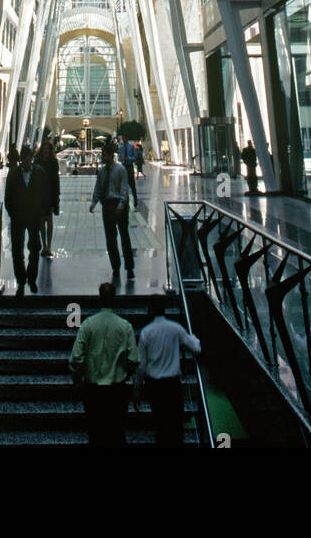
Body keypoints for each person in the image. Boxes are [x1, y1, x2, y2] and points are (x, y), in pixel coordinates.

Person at [69, 281, 139, 446]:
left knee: (95, 433)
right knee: (117, 432)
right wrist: (126, 373)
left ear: (99, 298)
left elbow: (76, 359)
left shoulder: (87, 325)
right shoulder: (125, 326)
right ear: (114, 298)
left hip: (93, 390)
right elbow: (134, 359)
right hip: (117, 389)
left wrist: (77, 380)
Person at [136, 297, 201, 446]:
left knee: (160, 423)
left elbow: (141, 365)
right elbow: (196, 348)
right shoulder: (176, 328)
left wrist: (137, 390)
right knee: (175, 423)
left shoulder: (147, 332)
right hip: (172, 384)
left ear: (150, 310)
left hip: (154, 384)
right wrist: (194, 338)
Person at [4, 144, 49, 297]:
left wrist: (42, 211)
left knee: (35, 247)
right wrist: (13, 213)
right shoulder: (13, 174)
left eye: (29, 158)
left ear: (31, 158)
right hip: (18, 217)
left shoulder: (39, 173)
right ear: (21, 159)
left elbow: (44, 193)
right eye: (24, 158)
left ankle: (32, 278)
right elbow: (8, 196)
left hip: (34, 216)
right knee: (17, 249)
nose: (26, 161)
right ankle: (21, 281)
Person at [90, 142, 134, 280]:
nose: (102, 157)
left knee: (124, 236)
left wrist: (122, 204)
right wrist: (94, 202)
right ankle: (115, 267)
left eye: (104, 155)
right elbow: (98, 188)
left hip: (119, 205)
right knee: (110, 238)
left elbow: (124, 188)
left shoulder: (120, 170)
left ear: (110, 155)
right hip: (107, 206)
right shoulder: (102, 171)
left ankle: (129, 267)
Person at [36, 140, 60, 256]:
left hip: (50, 193)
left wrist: (57, 195)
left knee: (49, 219)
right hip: (40, 193)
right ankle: (44, 245)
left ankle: (48, 246)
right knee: (41, 219)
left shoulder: (54, 162)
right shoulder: (37, 161)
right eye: (44, 148)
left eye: (47, 148)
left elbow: (56, 179)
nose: (45, 151)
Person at [118, 135, 139, 210]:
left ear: (127, 138)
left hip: (129, 166)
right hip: (124, 166)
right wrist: (121, 159)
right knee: (124, 185)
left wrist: (128, 158)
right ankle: (126, 202)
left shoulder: (131, 146)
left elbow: (134, 157)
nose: (124, 140)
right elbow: (120, 158)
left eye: (124, 138)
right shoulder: (121, 147)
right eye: (123, 139)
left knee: (132, 185)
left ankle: (136, 201)